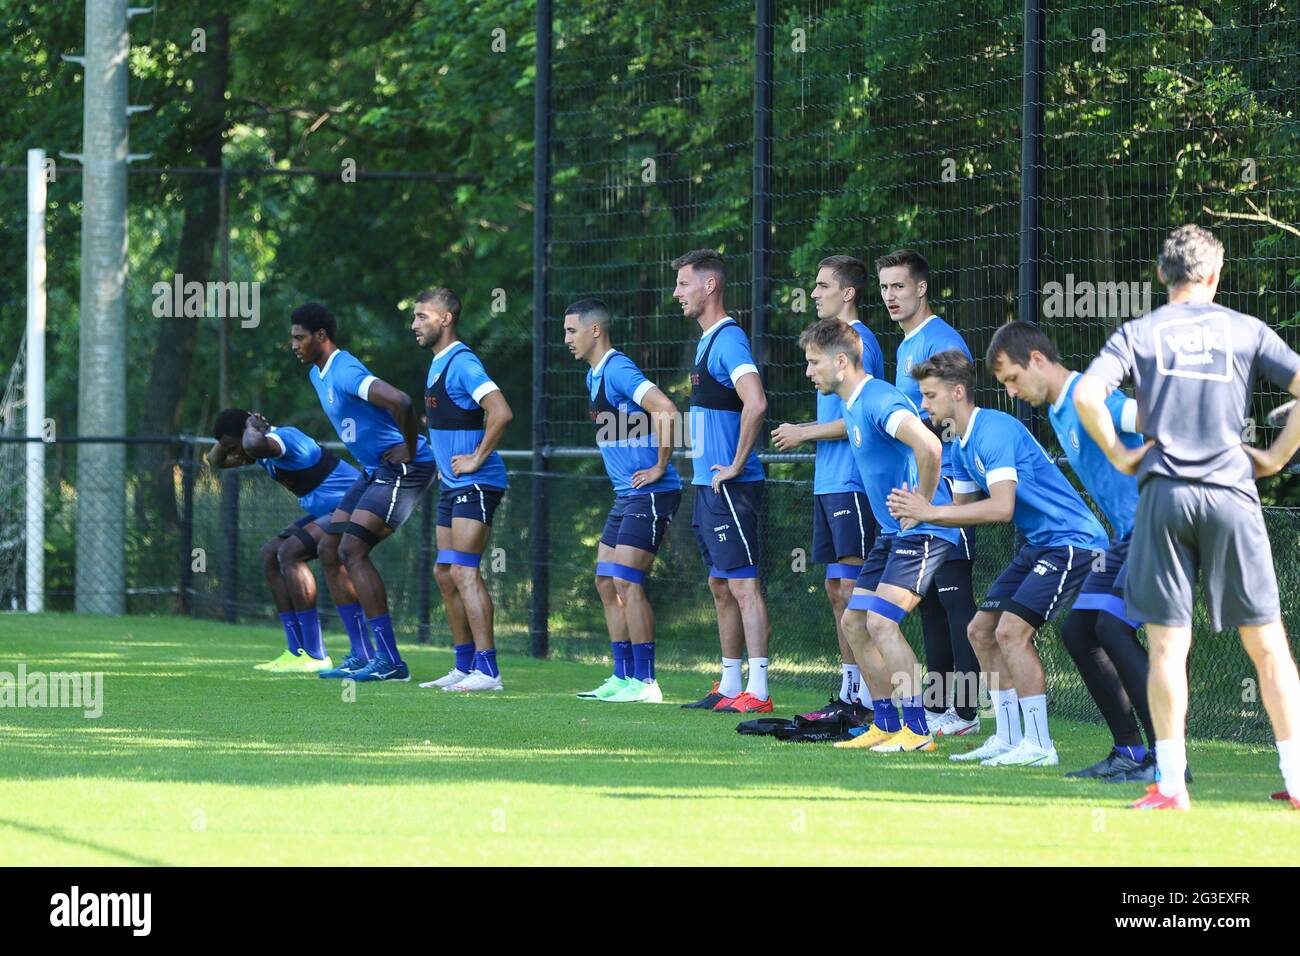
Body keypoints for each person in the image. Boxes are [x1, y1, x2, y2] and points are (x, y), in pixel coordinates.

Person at [1073, 224, 1300, 810]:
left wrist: (1122, 453)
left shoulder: (1141, 331)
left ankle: (1171, 787)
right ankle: (1298, 781)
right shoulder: (1245, 328)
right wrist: (1274, 456)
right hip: (1231, 493)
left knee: (1169, 646)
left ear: (1160, 276)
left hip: (1166, 496)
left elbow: (1086, 396)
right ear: (1216, 276)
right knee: (1269, 645)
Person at [888, 349, 1110, 767]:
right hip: (1040, 544)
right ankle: (1008, 738)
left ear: (958, 392)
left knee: (1010, 633)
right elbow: (960, 510)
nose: (923, 405)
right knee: (980, 631)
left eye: (930, 395)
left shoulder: (994, 431)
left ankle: (1040, 746)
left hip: (1073, 542)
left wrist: (930, 511)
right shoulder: (956, 443)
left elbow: (1002, 508)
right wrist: (916, 518)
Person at [985, 321, 1160, 782]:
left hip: (1159, 528)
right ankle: (1129, 750)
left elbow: (1147, 420)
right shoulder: (1061, 409)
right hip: (1128, 537)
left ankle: (1167, 758)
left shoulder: (1088, 398)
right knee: (1081, 632)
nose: (1011, 391)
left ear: (1038, 360)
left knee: (1111, 628)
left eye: (1012, 378)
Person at [794, 319, 957, 753]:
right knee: (854, 622)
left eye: (813, 363)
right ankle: (885, 723)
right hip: (893, 534)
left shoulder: (879, 398)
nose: (808, 372)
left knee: (882, 623)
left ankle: (919, 732)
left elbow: (930, 445)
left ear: (842, 362)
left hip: (924, 532)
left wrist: (922, 503)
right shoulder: (850, 403)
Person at [290, 302, 437, 682]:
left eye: (300, 337)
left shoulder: (344, 369)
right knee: (327, 549)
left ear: (321, 336)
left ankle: (390, 661)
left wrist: (412, 447)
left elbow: (400, 400)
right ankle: (361, 653)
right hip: (374, 470)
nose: (294, 344)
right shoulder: (316, 374)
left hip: (405, 467)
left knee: (352, 550)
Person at [770, 255, 883, 723]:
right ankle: (850, 692)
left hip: (854, 484)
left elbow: (861, 417)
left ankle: (876, 699)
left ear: (848, 293)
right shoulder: (828, 342)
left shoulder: (862, 344)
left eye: (822, 286)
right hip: (829, 483)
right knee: (837, 588)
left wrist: (803, 431)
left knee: (856, 591)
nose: (813, 294)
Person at [878, 250, 981, 737]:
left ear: (921, 288)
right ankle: (942, 708)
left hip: (952, 490)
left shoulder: (942, 340)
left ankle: (967, 712)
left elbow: (951, 418)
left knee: (957, 600)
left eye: (899, 286)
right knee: (934, 604)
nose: (891, 296)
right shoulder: (903, 347)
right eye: (885, 288)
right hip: (920, 493)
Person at [565, 298, 682, 703]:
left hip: (650, 492)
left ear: (595, 330)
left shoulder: (617, 368)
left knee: (627, 581)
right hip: (626, 496)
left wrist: (660, 466)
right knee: (605, 580)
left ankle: (647, 683)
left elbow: (666, 409)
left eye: (571, 331)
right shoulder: (594, 376)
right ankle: (621, 676)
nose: (567, 339)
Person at [672, 249, 774, 714]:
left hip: (732, 487)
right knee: (721, 584)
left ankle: (761, 691)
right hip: (707, 486)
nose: (677, 293)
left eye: (683, 284)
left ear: (709, 286)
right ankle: (730, 686)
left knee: (744, 585)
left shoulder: (729, 340)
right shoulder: (706, 342)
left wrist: (735, 463)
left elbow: (756, 402)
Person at [408, 288, 514, 693]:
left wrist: (474, 459)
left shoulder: (463, 362)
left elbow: (501, 412)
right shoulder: (436, 365)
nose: (414, 325)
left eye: (421, 316)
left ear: (445, 319)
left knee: (464, 571)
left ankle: (489, 672)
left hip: (477, 482)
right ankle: (464, 665)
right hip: (453, 486)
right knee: (445, 572)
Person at [207, 409, 360, 673]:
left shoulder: (281, 440)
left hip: (357, 504)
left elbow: (252, 444)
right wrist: (228, 442)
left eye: (235, 446)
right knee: (270, 553)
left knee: (290, 553)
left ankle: (315, 653)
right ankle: (297, 649)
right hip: (329, 511)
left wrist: (251, 428)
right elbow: (214, 460)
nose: (235, 454)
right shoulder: (257, 449)